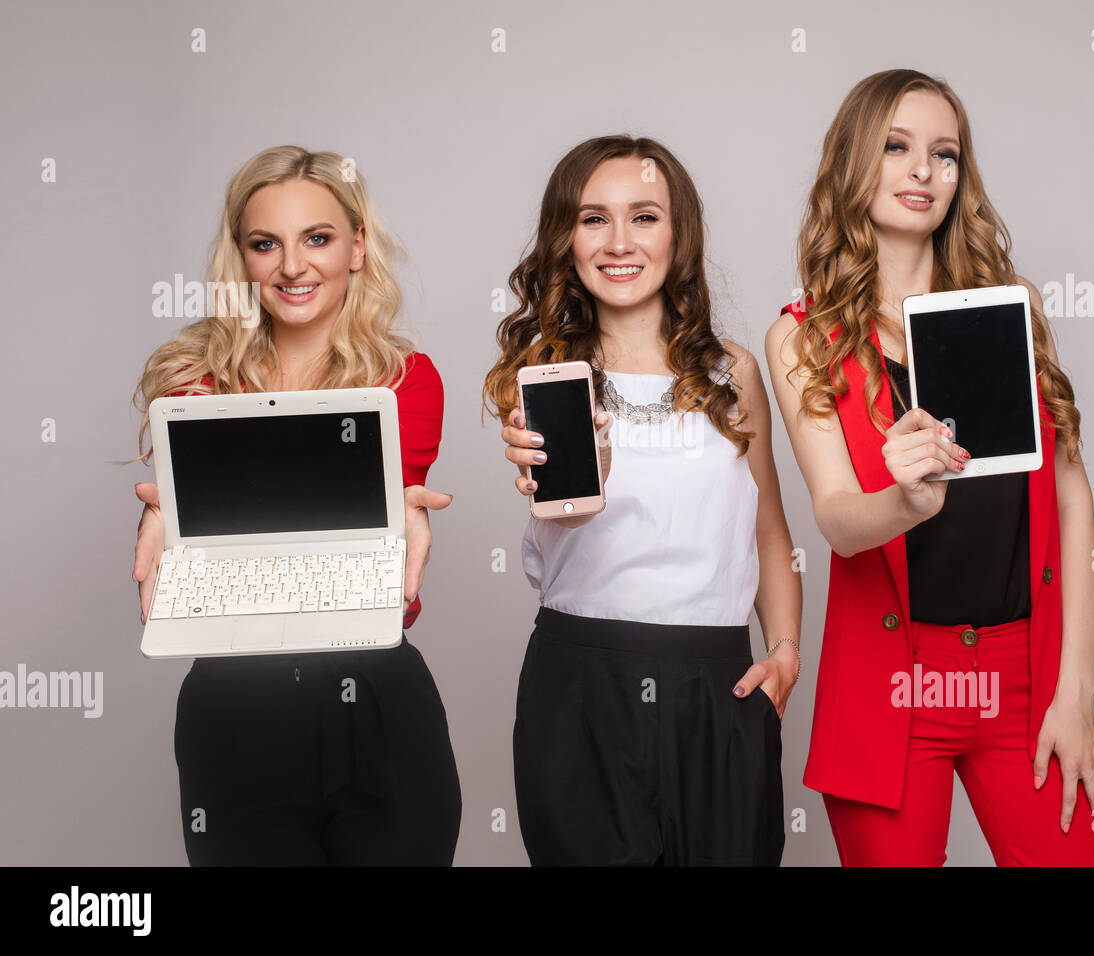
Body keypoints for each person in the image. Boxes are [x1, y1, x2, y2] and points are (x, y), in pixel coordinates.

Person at [765, 70, 1094, 865]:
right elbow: (837, 519)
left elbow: (1074, 504)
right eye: (897, 146)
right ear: (853, 160)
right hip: (892, 684)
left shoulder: (1009, 304)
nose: (924, 170)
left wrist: (1077, 692)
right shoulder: (802, 337)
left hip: (1026, 675)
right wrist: (907, 499)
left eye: (945, 154)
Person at [129, 145, 461, 865]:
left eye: (317, 238)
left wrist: (404, 514)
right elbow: (194, 529)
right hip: (233, 711)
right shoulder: (194, 383)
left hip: (375, 700)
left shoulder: (405, 380)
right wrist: (160, 519)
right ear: (241, 258)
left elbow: (387, 513)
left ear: (357, 247)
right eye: (265, 244)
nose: (292, 266)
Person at [483, 135, 801, 865]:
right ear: (566, 237)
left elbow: (771, 533)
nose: (619, 242)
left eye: (644, 217)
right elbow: (563, 519)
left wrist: (784, 652)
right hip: (582, 686)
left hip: (720, 685)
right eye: (594, 219)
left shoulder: (733, 373)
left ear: (678, 232)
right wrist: (569, 479)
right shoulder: (547, 376)